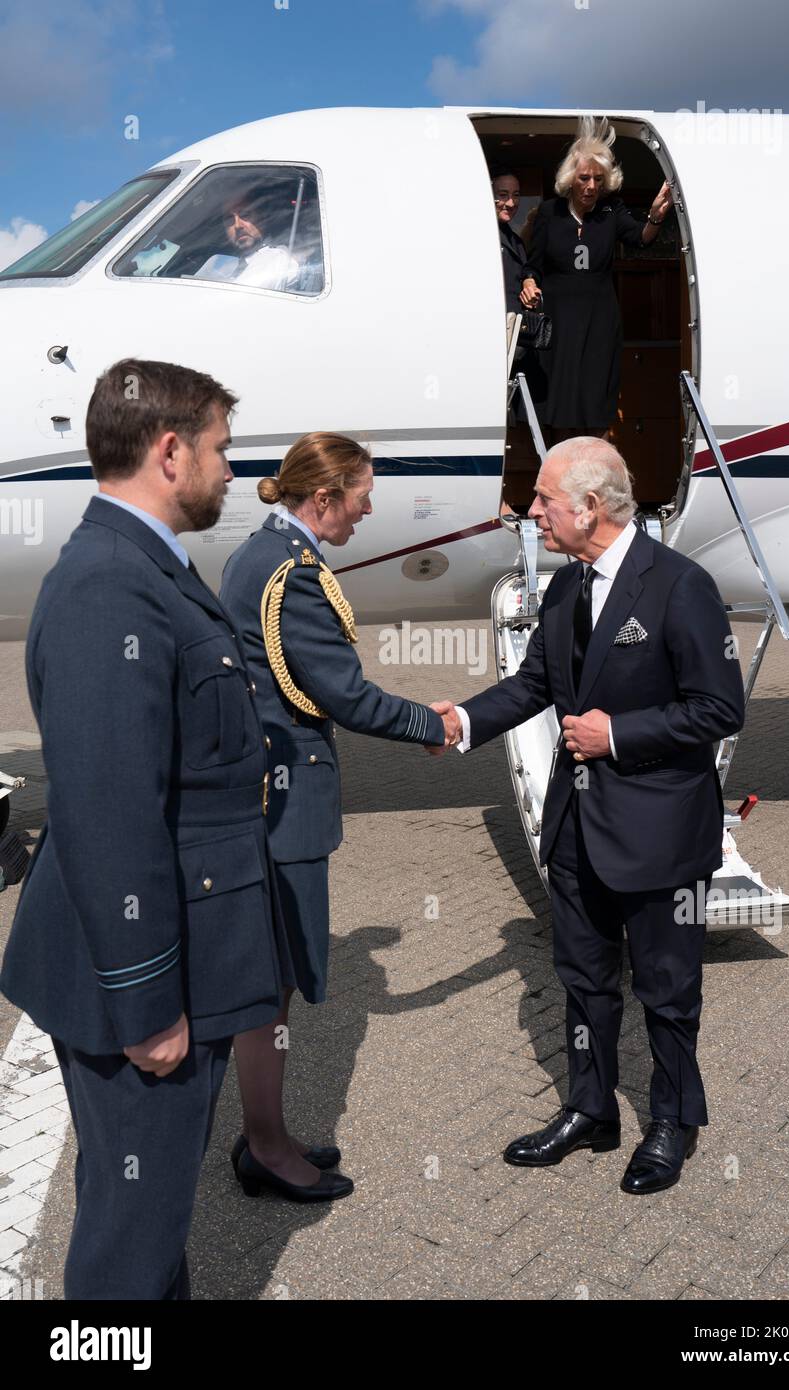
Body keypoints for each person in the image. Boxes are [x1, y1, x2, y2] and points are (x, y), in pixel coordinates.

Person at [0, 358, 297, 1299]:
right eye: (219, 450)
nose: (231, 472)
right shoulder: (110, 588)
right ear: (170, 452)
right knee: (130, 1241)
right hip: (150, 983)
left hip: (177, 954)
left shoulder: (142, 568)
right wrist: (145, 1004)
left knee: (145, 1212)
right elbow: (106, 812)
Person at [435, 438, 745, 1195]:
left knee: (668, 989)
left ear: (591, 508)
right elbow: (535, 682)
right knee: (583, 979)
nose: (529, 511)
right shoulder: (568, 588)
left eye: (543, 500)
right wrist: (459, 722)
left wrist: (619, 735)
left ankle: (673, 1121)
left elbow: (719, 707)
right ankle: (590, 1108)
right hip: (577, 825)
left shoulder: (681, 587)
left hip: (661, 834)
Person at [219, 432, 460, 1203]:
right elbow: (344, 696)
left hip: (269, 791)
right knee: (272, 986)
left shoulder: (263, 554)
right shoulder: (293, 575)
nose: (368, 508)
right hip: (282, 801)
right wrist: (433, 724)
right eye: (361, 494)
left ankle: (271, 1134)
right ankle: (263, 1147)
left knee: (275, 980)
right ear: (322, 498)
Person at [520, 117, 673, 440]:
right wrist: (529, 283)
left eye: (598, 180)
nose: (591, 186)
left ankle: (596, 477)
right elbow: (533, 266)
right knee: (561, 402)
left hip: (600, 322)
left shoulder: (611, 212)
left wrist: (656, 215)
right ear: (570, 179)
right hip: (559, 322)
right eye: (585, 178)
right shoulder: (550, 213)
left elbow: (641, 238)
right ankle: (564, 478)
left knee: (595, 398)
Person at [220, 185, 302, 292]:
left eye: (245, 215)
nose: (237, 225)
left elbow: (236, 300)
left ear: (262, 219)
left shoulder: (275, 257)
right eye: (229, 219)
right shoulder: (225, 264)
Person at [491, 166, 529, 314]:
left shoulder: (517, 241)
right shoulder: (478, 237)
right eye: (503, 195)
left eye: (516, 195)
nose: (511, 203)